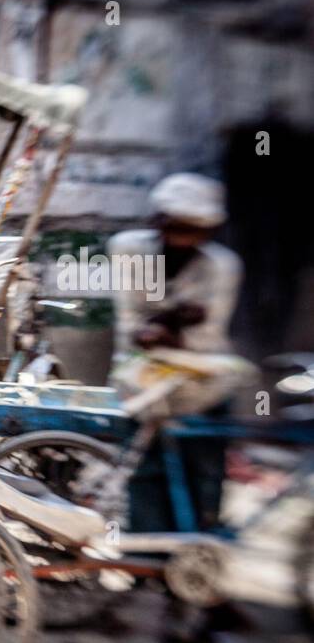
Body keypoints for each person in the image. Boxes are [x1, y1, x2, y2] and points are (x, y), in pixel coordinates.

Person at [108, 173, 243, 534]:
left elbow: (205, 335)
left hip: (203, 389)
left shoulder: (221, 266)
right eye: (178, 228)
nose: (184, 240)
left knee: (204, 472)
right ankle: (147, 562)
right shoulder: (129, 249)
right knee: (146, 472)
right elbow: (132, 324)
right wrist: (167, 324)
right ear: (158, 222)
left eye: (195, 231)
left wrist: (164, 327)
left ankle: (197, 558)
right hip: (143, 385)